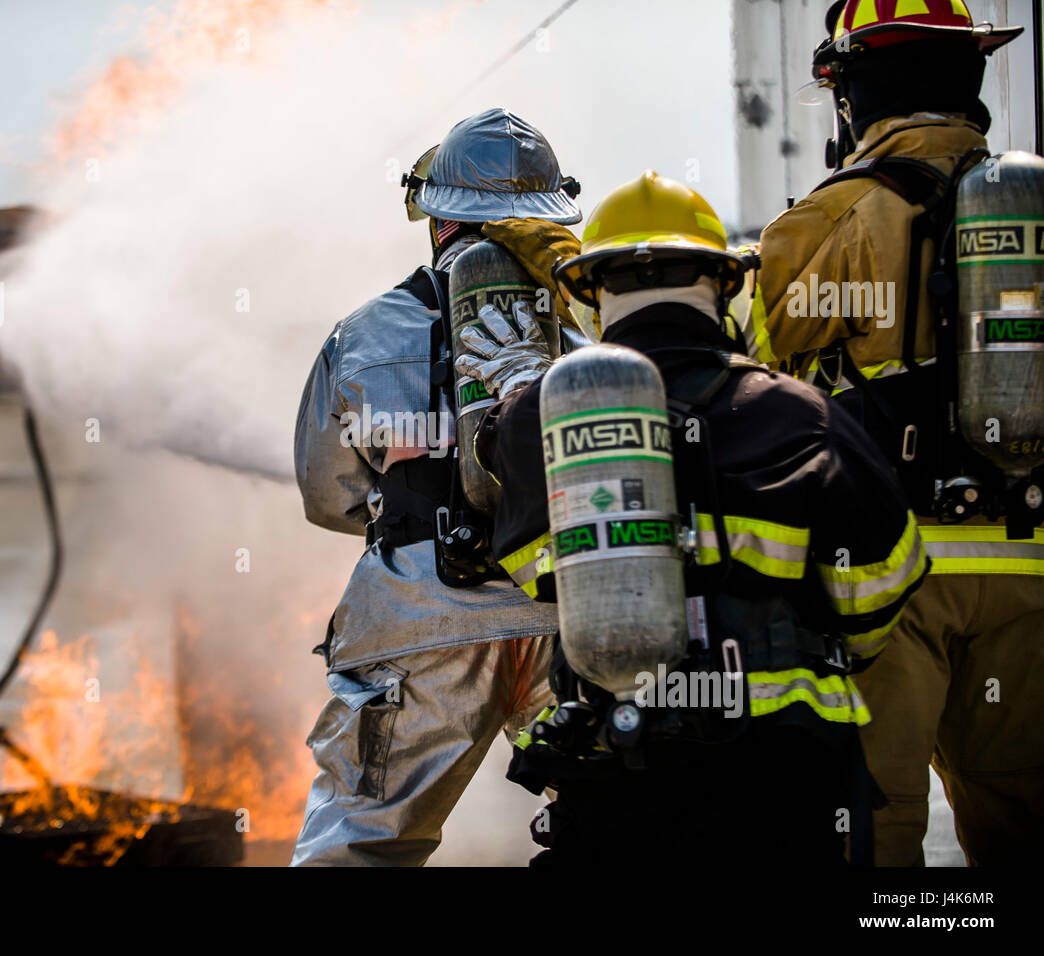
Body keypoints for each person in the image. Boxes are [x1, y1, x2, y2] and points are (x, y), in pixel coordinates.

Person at [457, 171, 927, 865]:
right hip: (779, 776)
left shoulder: (533, 423)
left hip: (618, 767)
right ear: (725, 286)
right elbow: (884, 584)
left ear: (591, 292)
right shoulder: (800, 415)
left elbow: (533, 572)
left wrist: (526, 393)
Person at [749, 0, 1043, 864]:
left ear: (854, 92)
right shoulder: (1030, 209)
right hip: (1029, 565)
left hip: (892, 574)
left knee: (871, 826)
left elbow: (730, 362)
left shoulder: (830, 221)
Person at [290, 108, 583, 866]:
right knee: (615, 823)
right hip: (573, 614)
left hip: (422, 614)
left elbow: (330, 495)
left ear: (438, 216)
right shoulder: (590, 327)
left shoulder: (365, 331)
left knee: (364, 837)